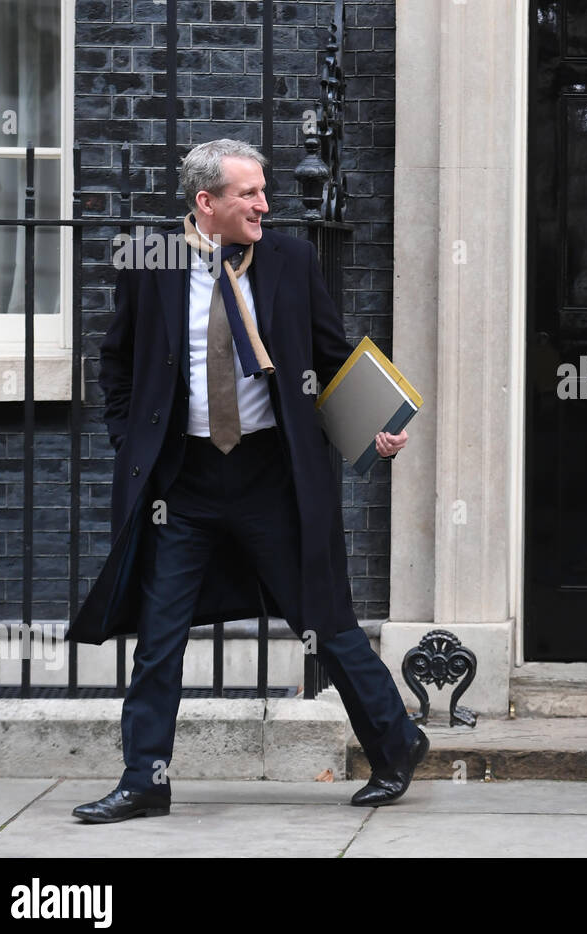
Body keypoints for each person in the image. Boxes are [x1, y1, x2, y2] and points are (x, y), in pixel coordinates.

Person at [68, 139, 428, 822]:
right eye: (249, 194)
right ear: (206, 203)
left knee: (323, 621)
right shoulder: (152, 262)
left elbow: (330, 351)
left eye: (265, 191)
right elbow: (114, 360)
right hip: (184, 484)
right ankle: (145, 778)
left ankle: (396, 741)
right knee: (160, 633)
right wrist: (126, 439)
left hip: (272, 475)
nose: (266, 204)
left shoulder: (289, 259)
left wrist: (376, 425)